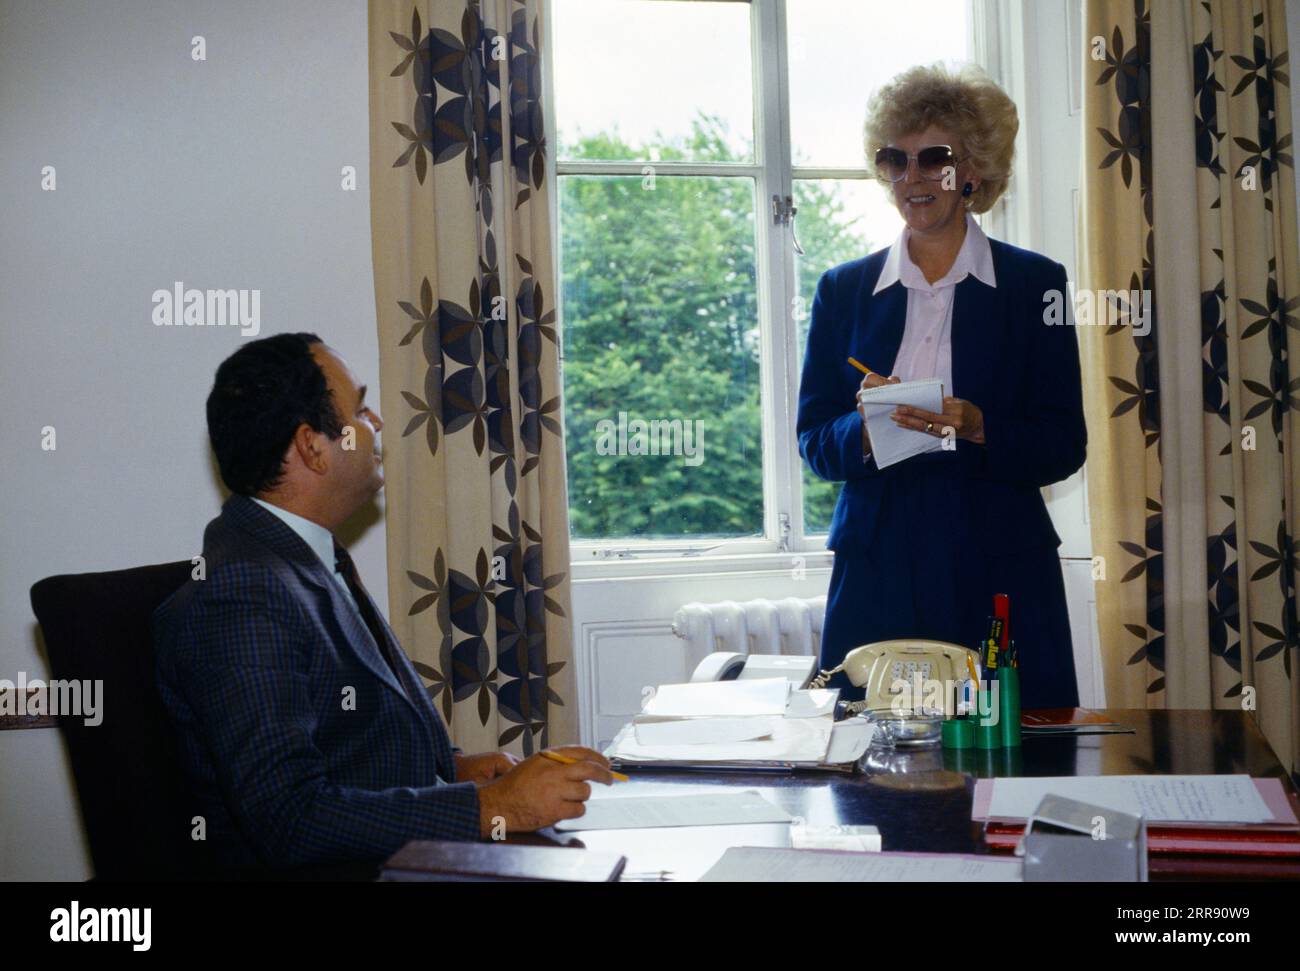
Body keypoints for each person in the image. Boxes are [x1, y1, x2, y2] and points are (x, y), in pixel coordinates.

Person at [154, 332, 612, 872]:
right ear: (312, 446)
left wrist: (454, 771)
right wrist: (492, 806)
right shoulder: (241, 596)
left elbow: (350, 750)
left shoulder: (303, 558)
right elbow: (292, 820)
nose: (376, 425)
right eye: (360, 410)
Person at [796, 63, 1086, 709]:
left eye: (935, 158)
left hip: (1000, 562)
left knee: (1011, 753)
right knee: (869, 765)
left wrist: (978, 424)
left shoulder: (1036, 283)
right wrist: (872, 423)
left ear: (974, 171)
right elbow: (815, 440)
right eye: (894, 159)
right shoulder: (842, 290)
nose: (912, 176)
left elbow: (1064, 443)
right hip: (877, 563)